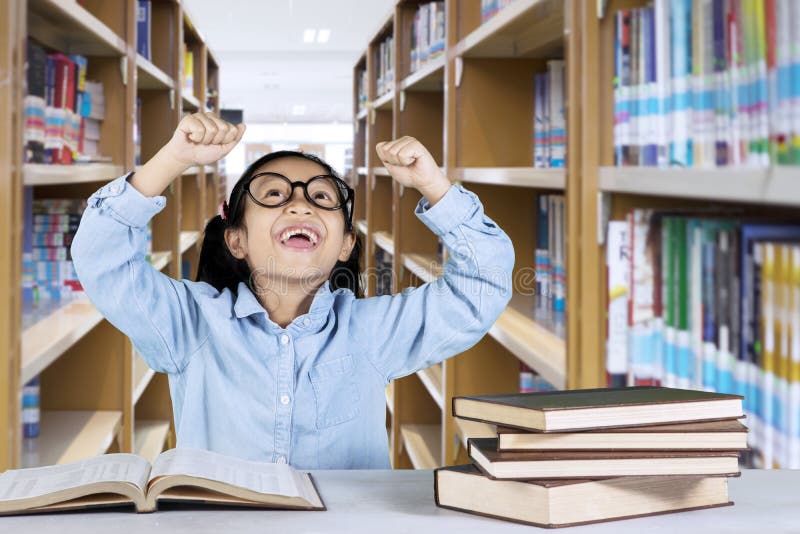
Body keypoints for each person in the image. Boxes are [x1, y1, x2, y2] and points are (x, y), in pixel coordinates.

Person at [71, 112, 515, 469]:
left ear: (345, 244)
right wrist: (172, 158)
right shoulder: (189, 325)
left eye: (322, 198)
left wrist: (434, 186)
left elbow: (482, 286)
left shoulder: (372, 331)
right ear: (236, 240)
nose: (299, 202)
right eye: (273, 194)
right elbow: (100, 257)